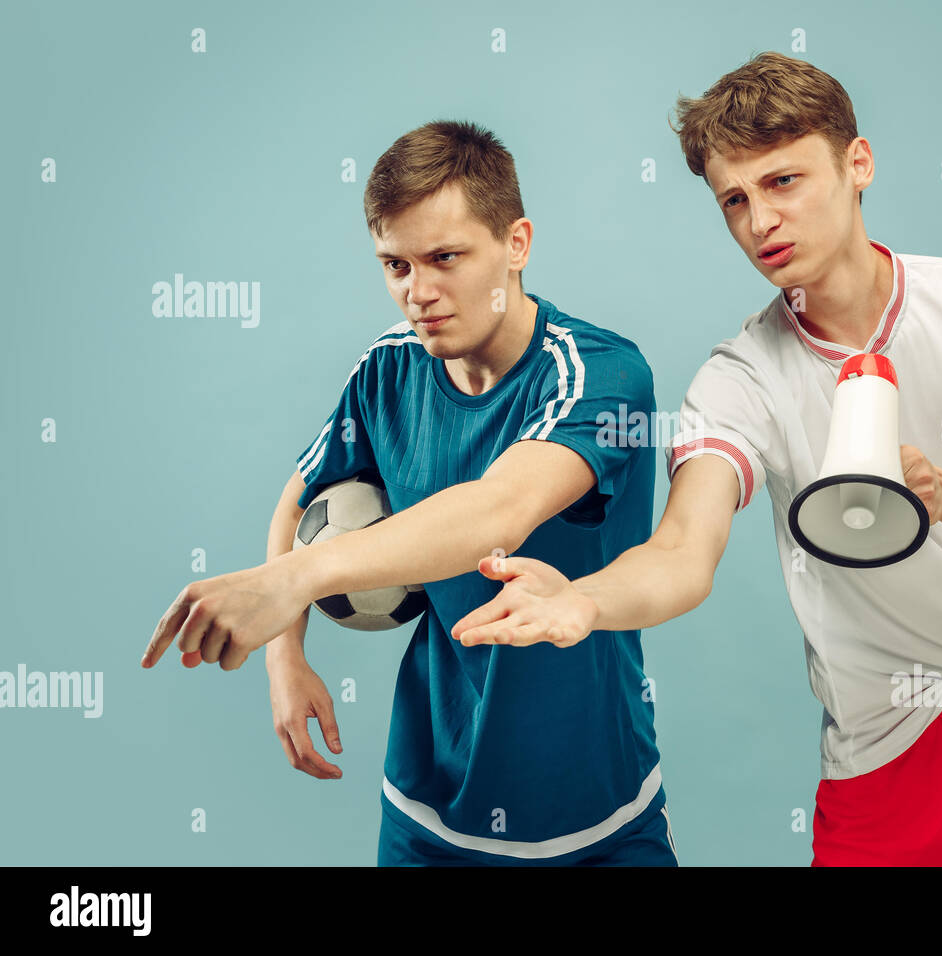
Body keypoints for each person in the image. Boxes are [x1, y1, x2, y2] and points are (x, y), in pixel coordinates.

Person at [450, 53, 942, 866]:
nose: (758, 221)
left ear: (858, 165)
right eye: (733, 200)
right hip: (885, 744)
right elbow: (682, 551)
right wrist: (586, 600)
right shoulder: (739, 379)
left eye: (782, 182)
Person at [140, 120, 677, 867]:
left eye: (445, 258)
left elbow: (499, 509)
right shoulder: (387, 370)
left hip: (596, 809)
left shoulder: (600, 375)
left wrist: (292, 581)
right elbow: (300, 501)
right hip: (428, 809)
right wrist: (284, 661)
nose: (417, 293)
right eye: (395, 265)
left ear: (516, 244)